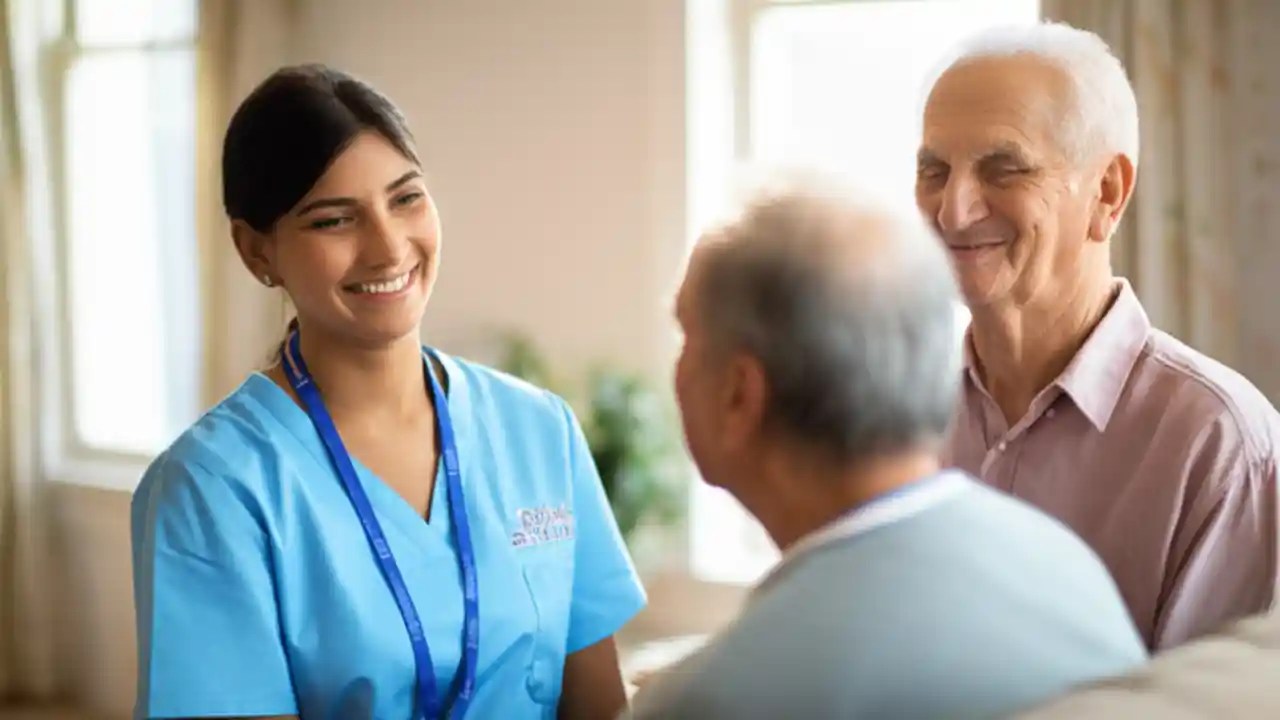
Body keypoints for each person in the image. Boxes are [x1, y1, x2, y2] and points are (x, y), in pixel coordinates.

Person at [130, 64, 645, 720]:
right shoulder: (213, 488)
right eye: (333, 220)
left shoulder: (538, 430)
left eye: (406, 199)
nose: (388, 247)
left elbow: (597, 702)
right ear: (256, 251)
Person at [627, 179, 1147, 720]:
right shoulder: (1066, 568)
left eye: (685, 336)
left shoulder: (712, 701)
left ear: (740, 394)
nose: (676, 368)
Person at [916, 21, 1280, 651]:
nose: (953, 210)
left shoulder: (1220, 445)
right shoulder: (903, 418)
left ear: (1107, 193)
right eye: (934, 170)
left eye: (1004, 169)